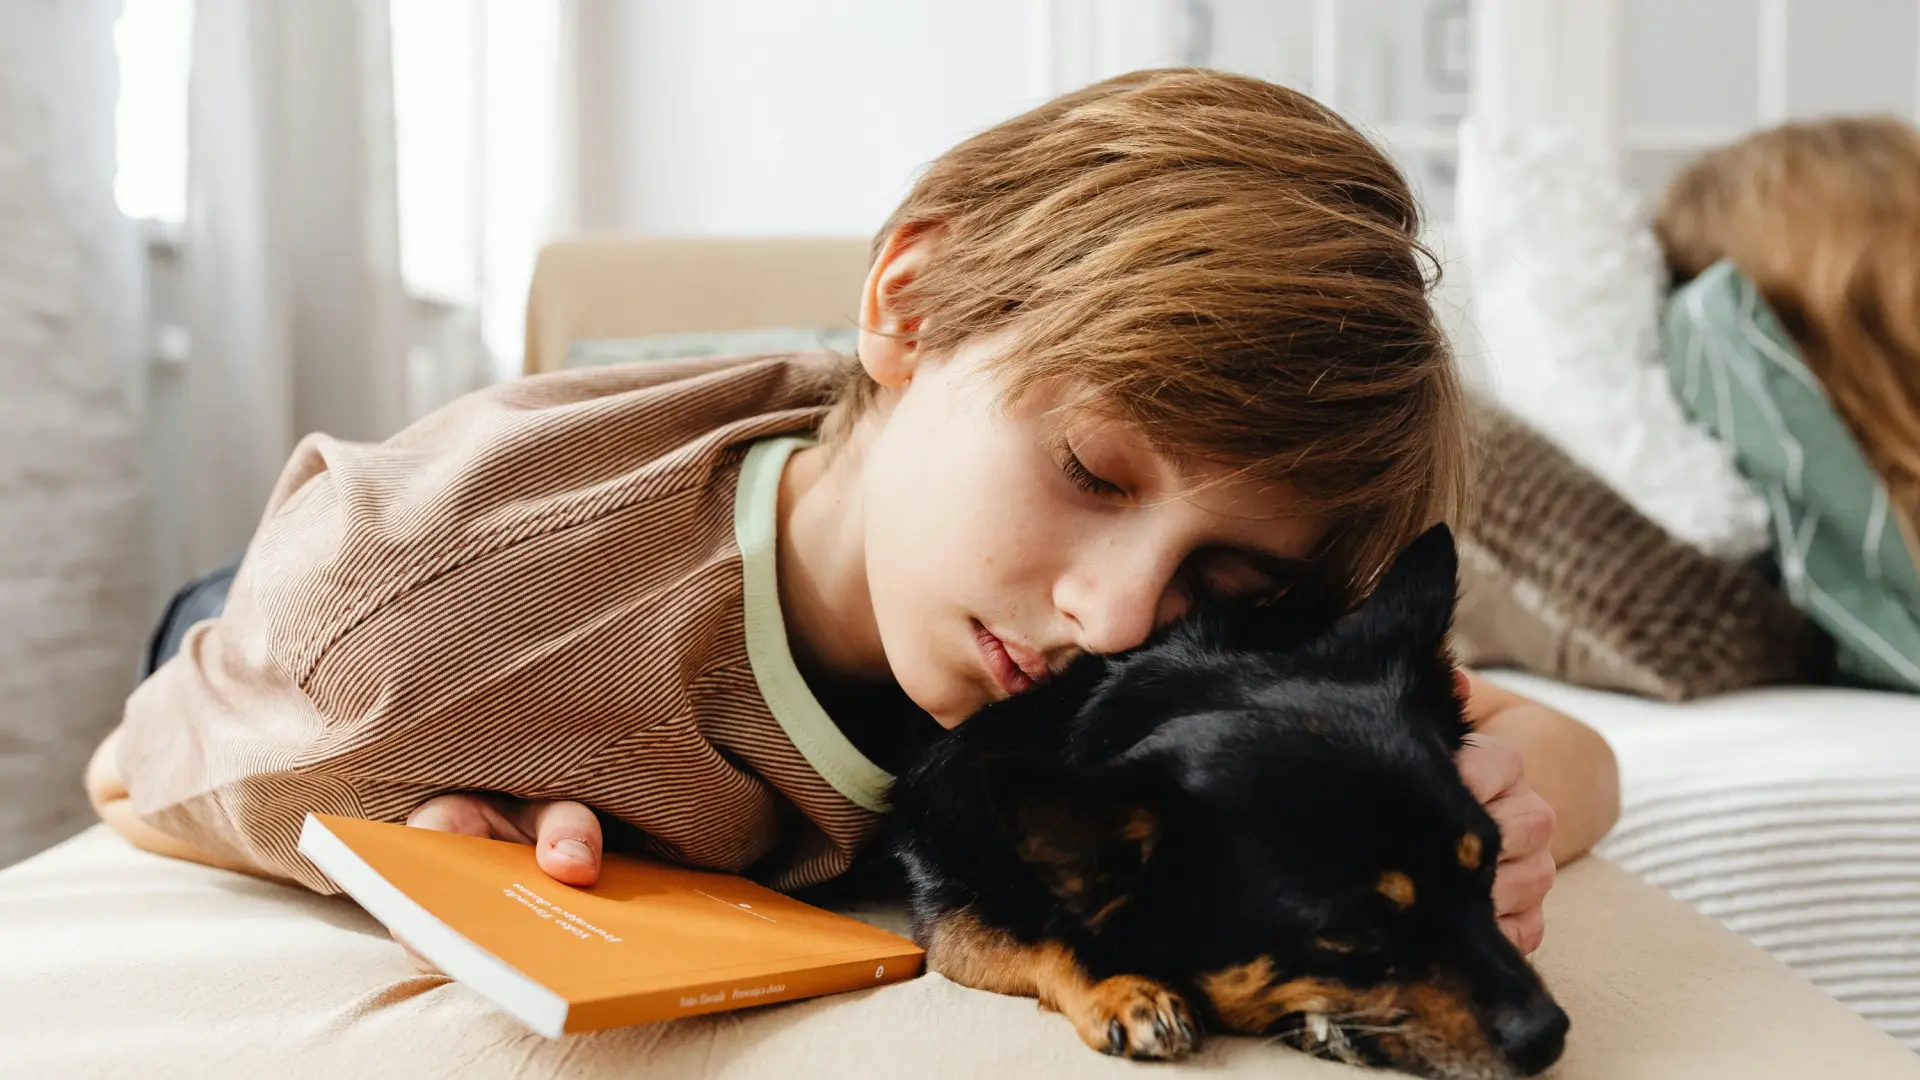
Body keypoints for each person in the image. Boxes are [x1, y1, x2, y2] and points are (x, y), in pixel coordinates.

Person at [87, 69, 1618, 960]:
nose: (1121, 621)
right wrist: (412, 839)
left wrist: (1491, 793)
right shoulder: (427, 626)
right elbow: (141, 764)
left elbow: (1567, 748)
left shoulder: (1190, 638)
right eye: (1089, 474)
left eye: (1222, 577)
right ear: (915, 302)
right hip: (354, 590)